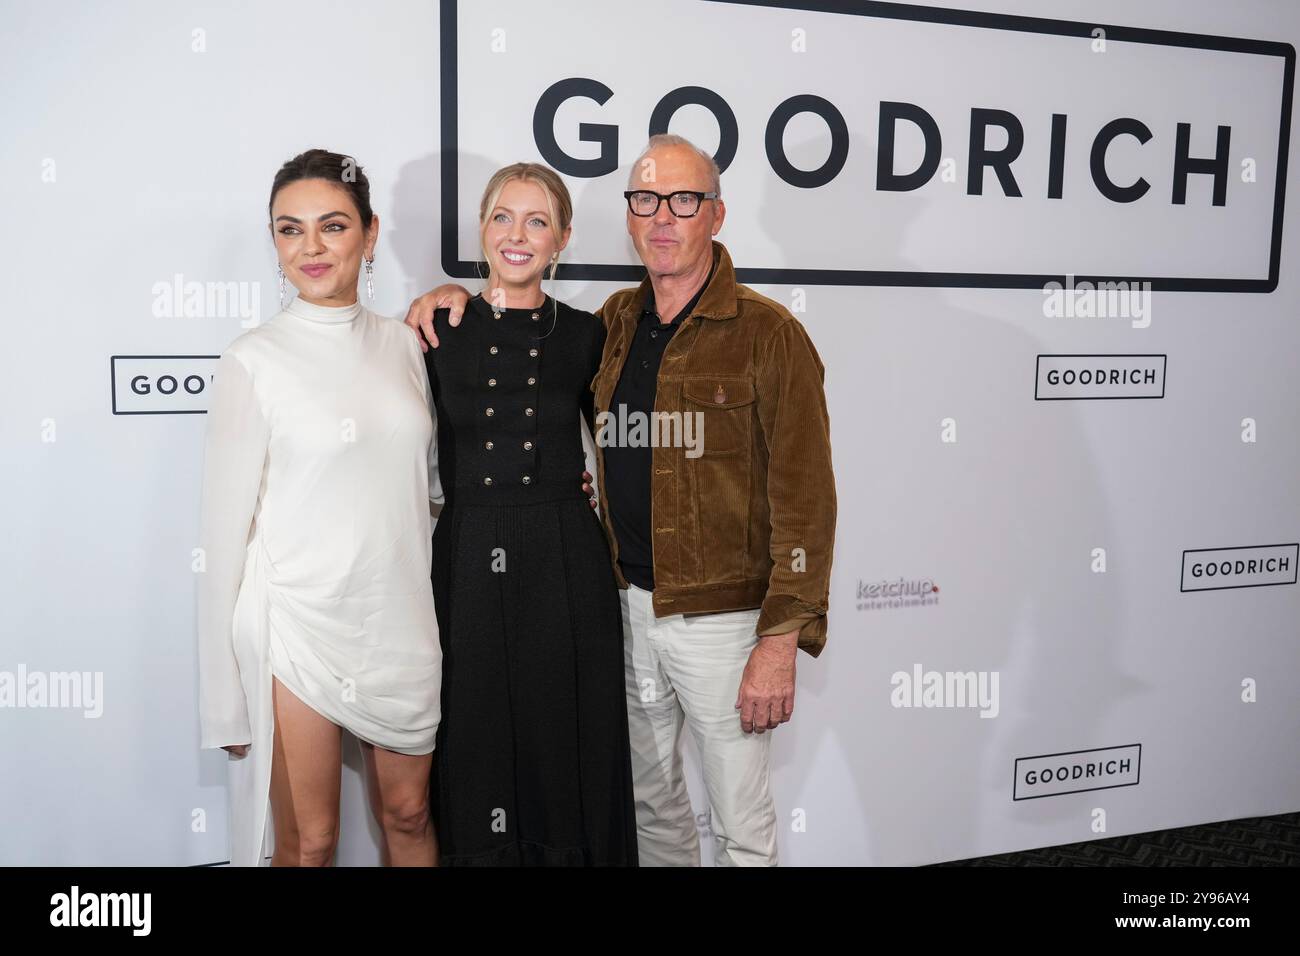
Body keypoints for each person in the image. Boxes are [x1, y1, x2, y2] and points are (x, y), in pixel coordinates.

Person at [406, 134, 837, 866]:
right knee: (653, 810)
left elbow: (807, 500)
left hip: (721, 619)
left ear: (717, 214)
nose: (663, 217)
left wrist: (779, 641)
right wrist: (443, 295)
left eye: (684, 201)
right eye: (646, 200)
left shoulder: (768, 333)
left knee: (741, 825)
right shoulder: (614, 325)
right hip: (626, 606)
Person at [197, 149, 442, 866]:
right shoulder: (253, 360)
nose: (311, 247)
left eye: (332, 226)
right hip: (295, 628)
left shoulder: (405, 346)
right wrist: (222, 699)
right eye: (290, 229)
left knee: (409, 814)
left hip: (398, 622)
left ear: (370, 232)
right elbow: (221, 537)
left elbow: (430, 488)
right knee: (312, 842)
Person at [423, 162, 638, 865]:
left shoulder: (587, 335)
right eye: (503, 217)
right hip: (467, 554)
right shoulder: (435, 329)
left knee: (564, 735)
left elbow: (625, 446)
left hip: (563, 557)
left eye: (537, 221)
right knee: (475, 733)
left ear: (562, 239)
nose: (517, 235)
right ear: (482, 229)